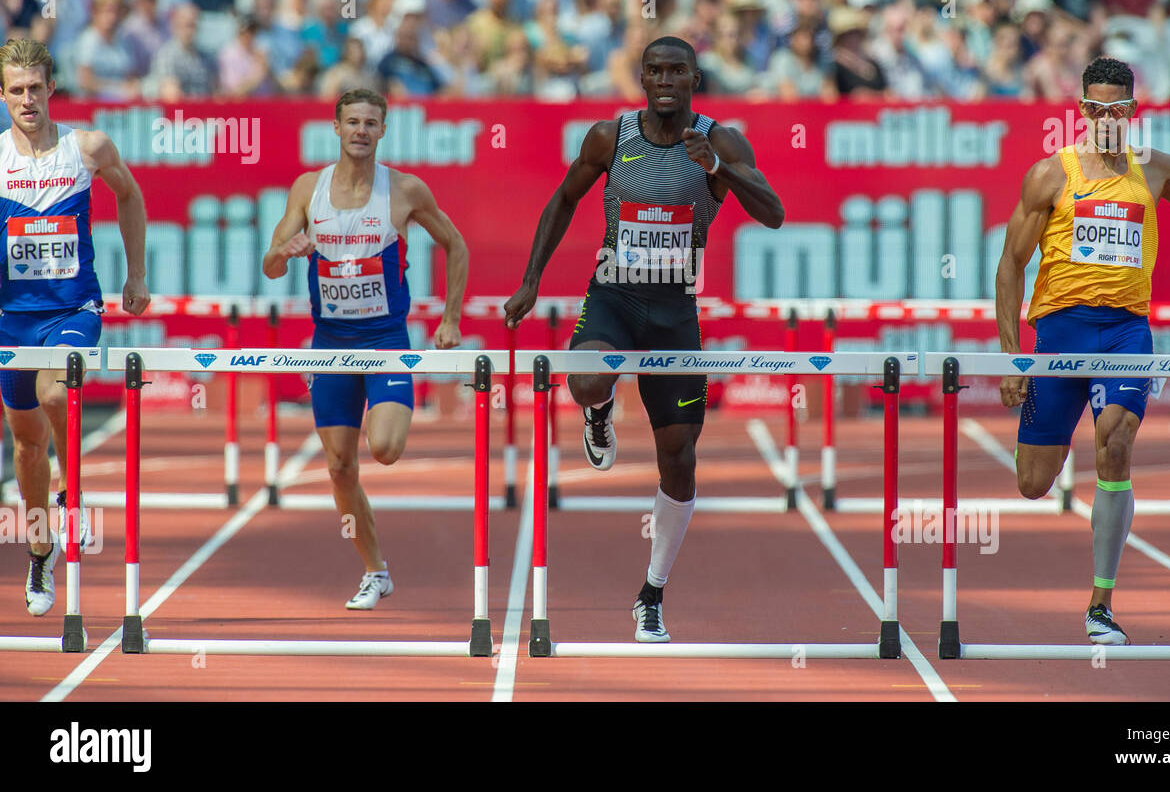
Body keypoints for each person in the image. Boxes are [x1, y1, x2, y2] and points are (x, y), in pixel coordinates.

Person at [504, 35, 784, 642]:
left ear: (694, 78)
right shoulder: (610, 137)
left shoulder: (721, 140)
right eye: (654, 69)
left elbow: (773, 212)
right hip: (614, 297)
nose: (664, 79)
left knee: (679, 459)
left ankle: (651, 591)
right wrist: (532, 281)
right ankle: (598, 411)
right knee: (587, 378)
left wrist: (719, 167)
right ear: (641, 77)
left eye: (675, 70)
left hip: (675, 312)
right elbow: (563, 200)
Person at [995, 56, 1170, 646]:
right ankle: (1058, 480)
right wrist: (1013, 356)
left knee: (1115, 443)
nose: (1107, 118)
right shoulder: (1050, 175)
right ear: (1082, 111)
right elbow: (1010, 265)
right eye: (1096, 108)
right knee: (1033, 482)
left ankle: (1100, 605)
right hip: (1060, 334)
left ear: (1132, 112)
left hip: (1125, 333)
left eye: (1118, 109)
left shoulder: (1156, 171)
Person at [262, 88, 468, 609]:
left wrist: (449, 319)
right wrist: (286, 251)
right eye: (351, 121)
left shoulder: (403, 190)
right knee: (339, 467)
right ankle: (375, 571)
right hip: (330, 344)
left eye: (369, 123)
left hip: (385, 343)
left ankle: (377, 565)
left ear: (382, 131)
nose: (360, 130)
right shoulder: (309, 190)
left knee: (387, 449)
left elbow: (456, 245)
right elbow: (270, 261)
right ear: (336, 127)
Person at [0, 37, 150, 616]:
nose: (28, 99)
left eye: (36, 87)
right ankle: (40, 553)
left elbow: (130, 195)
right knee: (24, 444)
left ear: (51, 88)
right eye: (17, 90)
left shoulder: (86, 147)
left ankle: (75, 495)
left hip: (73, 311)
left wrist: (135, 276)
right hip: (14, 318)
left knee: (55, 389)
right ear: (5, 96)